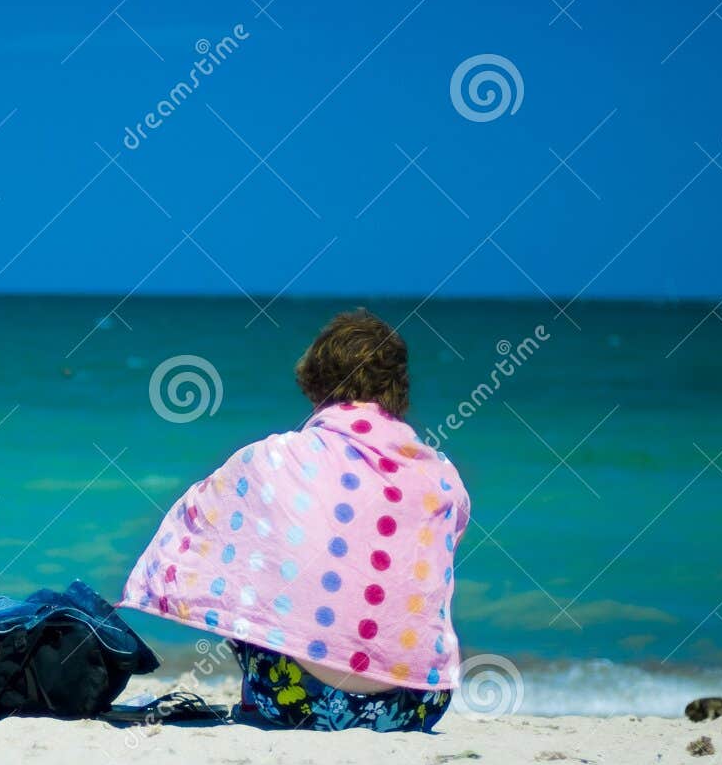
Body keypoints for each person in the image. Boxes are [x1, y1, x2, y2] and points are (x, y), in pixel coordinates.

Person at [122, 310, 470, 732]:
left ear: (316, 381)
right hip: (417, 703)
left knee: (254, 569)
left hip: (300, 700)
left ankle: (261, 696)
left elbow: (196, 521)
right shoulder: (442, 476)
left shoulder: (275, 459)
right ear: (397, 387)